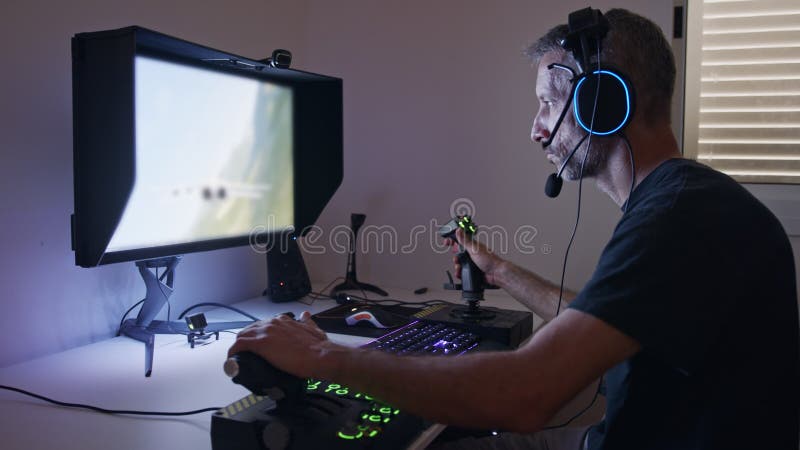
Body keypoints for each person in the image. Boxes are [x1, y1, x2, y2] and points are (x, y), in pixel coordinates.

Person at [229, 8, 799, 450]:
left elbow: (527, 394)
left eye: (549, 104)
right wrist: (497, 269)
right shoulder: (685, 201)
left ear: (605, 104)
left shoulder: (680, 215)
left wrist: (326, 358)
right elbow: (602, 319)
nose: (536, 130)